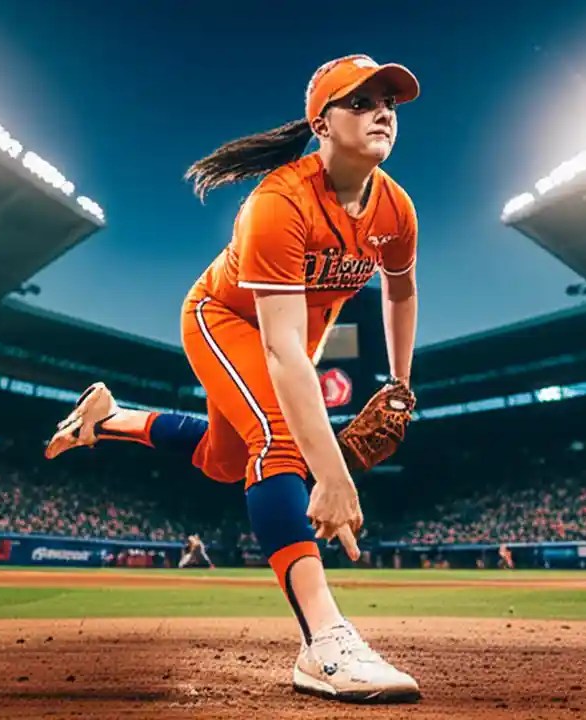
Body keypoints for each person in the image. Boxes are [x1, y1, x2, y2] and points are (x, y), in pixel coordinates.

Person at [45, 54, 422, 703]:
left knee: (223, 462)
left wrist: (400, 382)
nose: (382, 110)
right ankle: (323, 641)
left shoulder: (396, 210)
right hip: (224, 320)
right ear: (322, 124)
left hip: (291, 335)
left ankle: (107, 419)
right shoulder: (278, 204)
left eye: (387, 99)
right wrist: (328, 472)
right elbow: (280, 352)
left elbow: (401, 293)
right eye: (359, 102)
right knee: (279, 441)